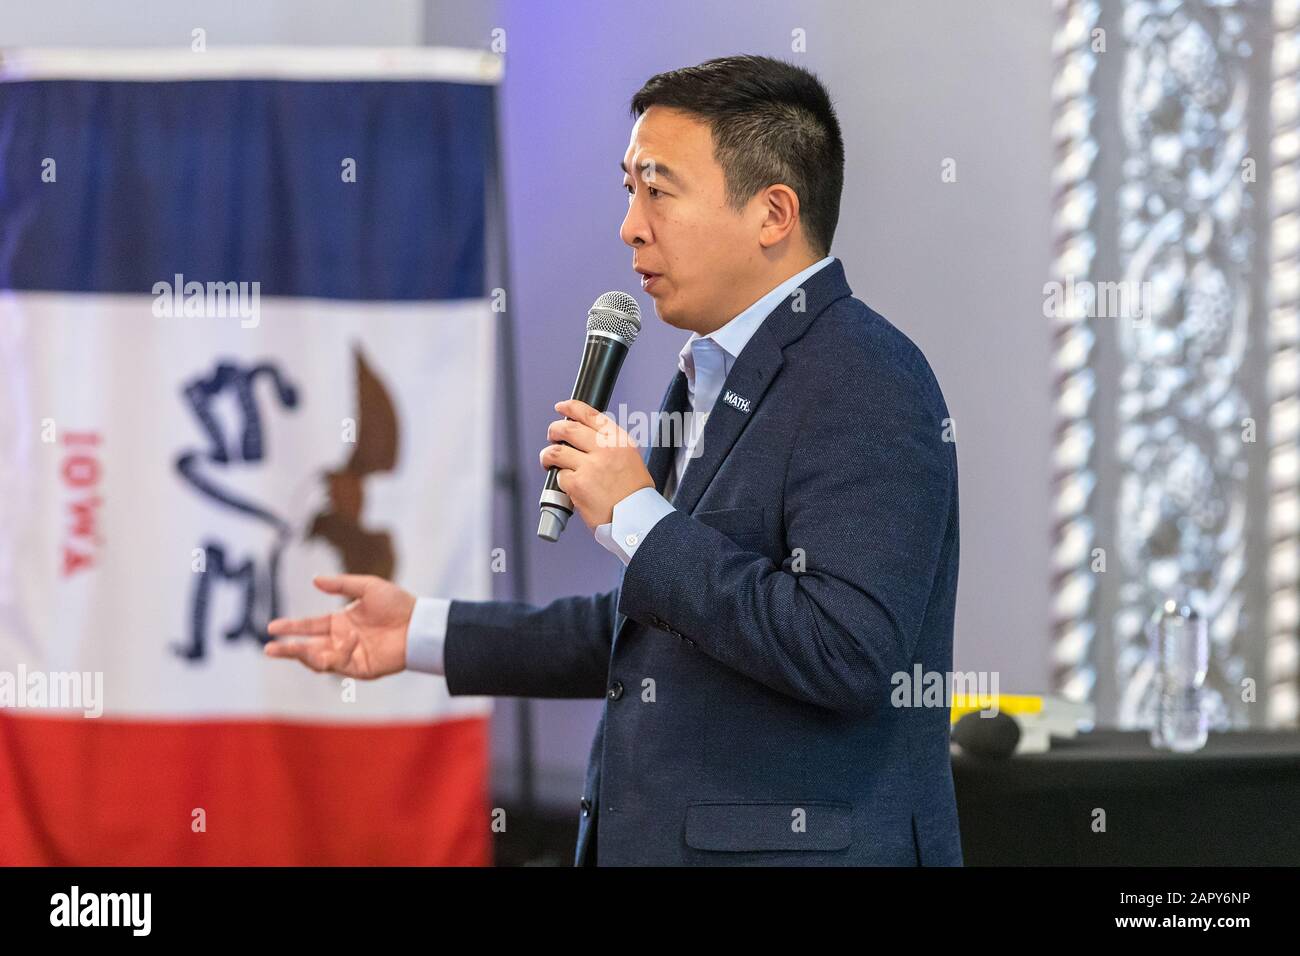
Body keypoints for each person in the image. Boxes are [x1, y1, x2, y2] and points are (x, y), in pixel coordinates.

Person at [266, 53, 962, 866]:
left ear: (773, 213)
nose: (629, 225)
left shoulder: (867, 376)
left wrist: (638, 516)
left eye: (657, 190)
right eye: (627, 188)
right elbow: (652, 628)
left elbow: (845, 650)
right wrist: (421, 631)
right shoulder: (706, 372)